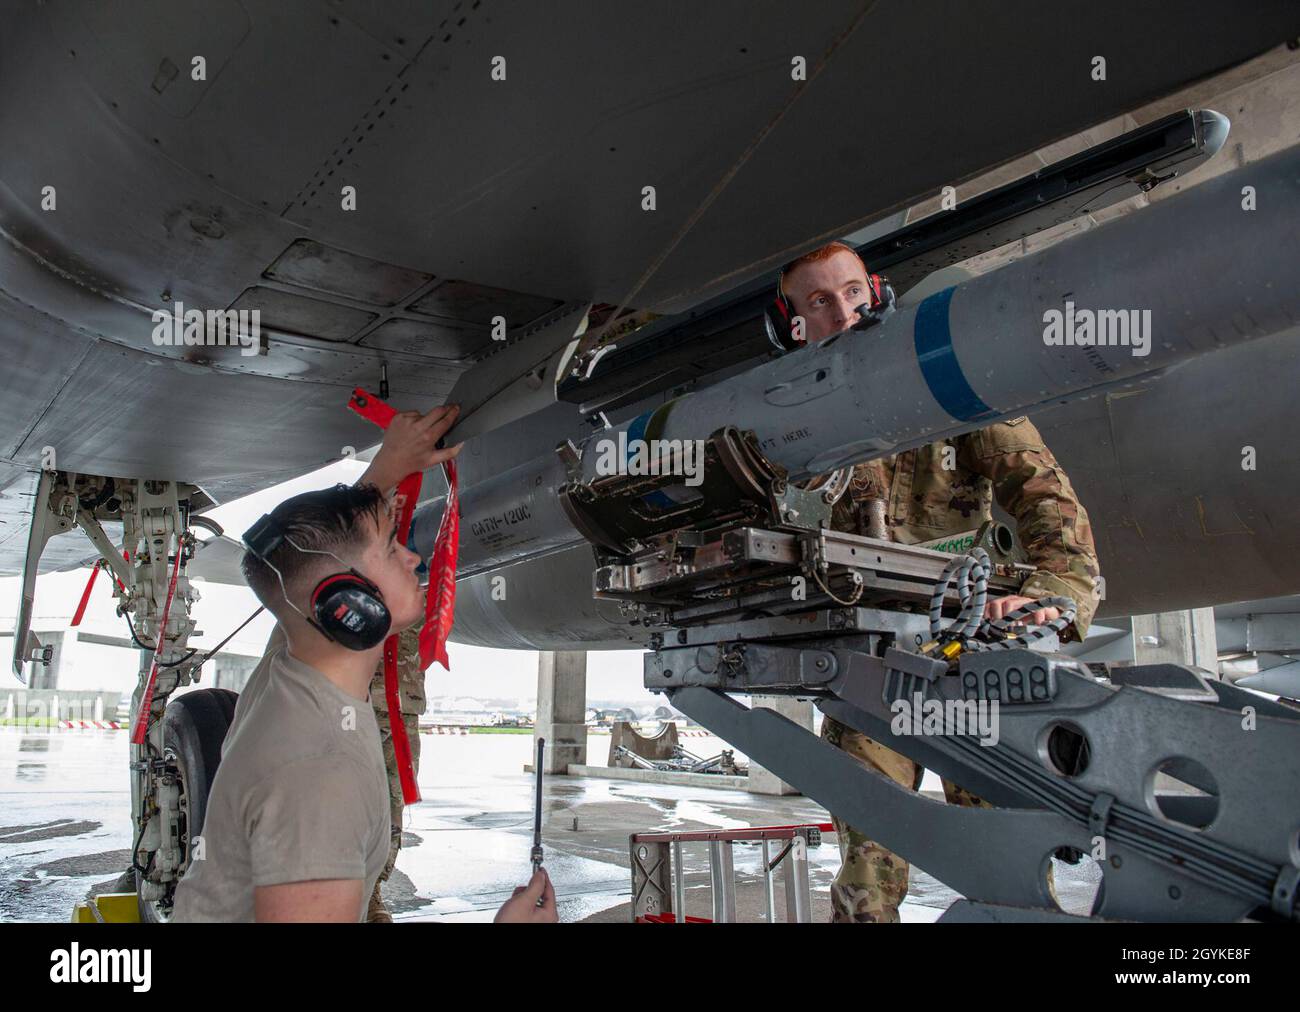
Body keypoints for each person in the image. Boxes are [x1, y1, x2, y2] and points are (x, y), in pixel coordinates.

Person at [777, 241, 1101, 922]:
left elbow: (1051, 503)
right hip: (865, 668)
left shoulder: (947, 394)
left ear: (878, 292)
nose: (844, 313)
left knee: (1004, 861)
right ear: (795, 321)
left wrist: (1053, 595)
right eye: (821, 302)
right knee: (869, 876)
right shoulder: (794, 429)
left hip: (966, 657)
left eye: (853, 293)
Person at [172, 409, 556, 922]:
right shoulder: (319, 777)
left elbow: (301, 566)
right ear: (349, 605)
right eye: (392, 549)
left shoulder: (286, 668)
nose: (414, 559)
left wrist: (389, 465)